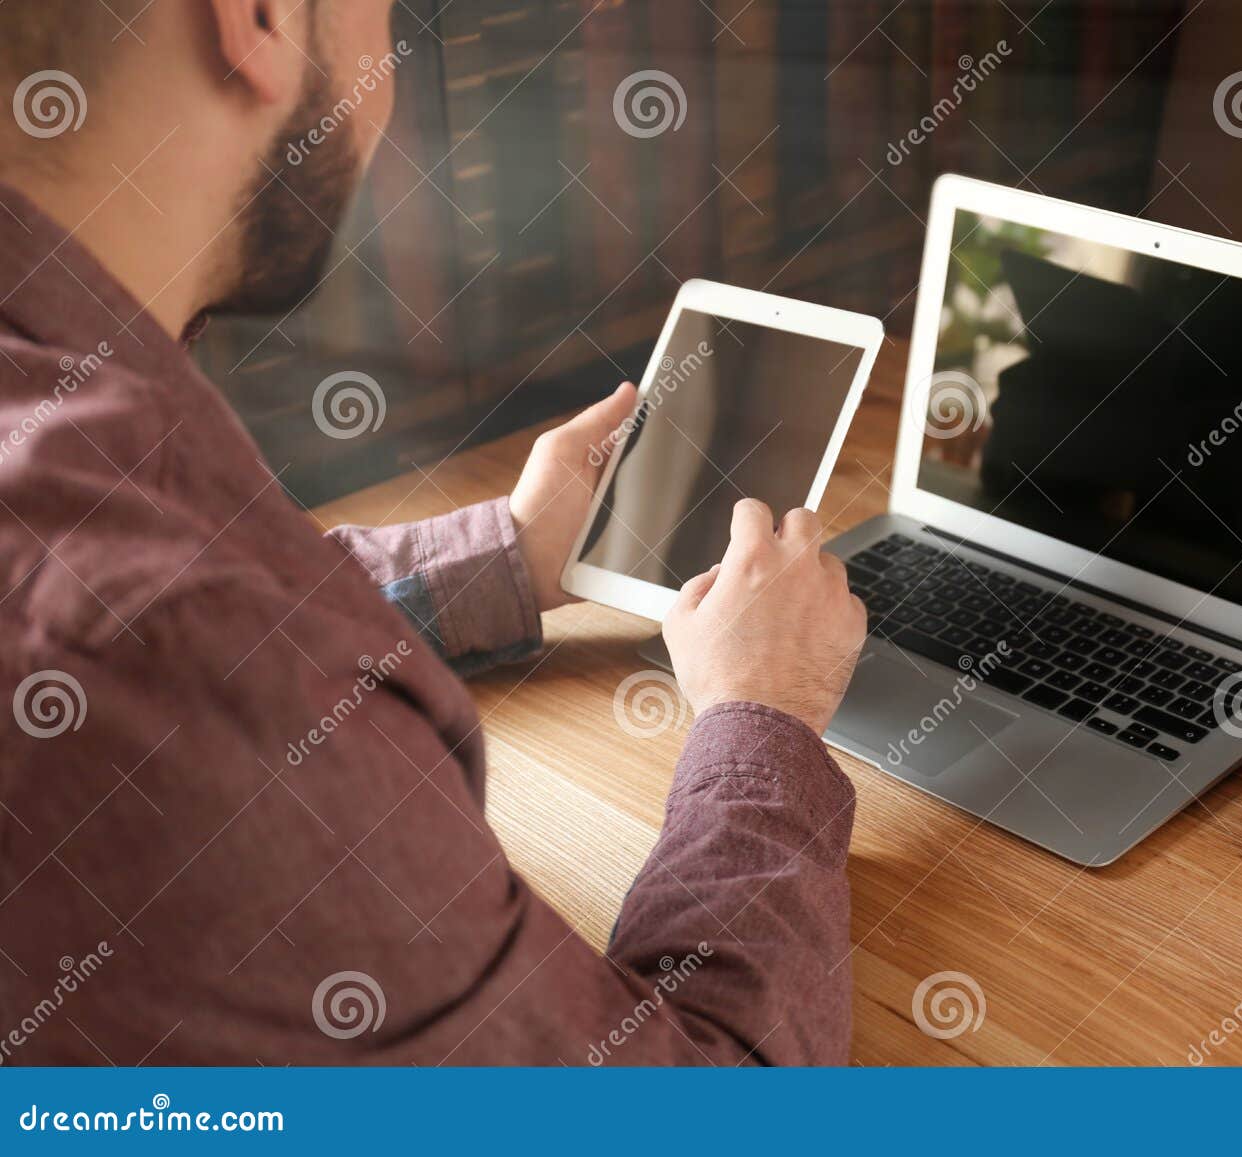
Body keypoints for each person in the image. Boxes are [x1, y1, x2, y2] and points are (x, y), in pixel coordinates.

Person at [0, 1, 866, 1064]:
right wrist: (763, 718)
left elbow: (183, 599)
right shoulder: (181, 668)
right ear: (256, 17)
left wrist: (508, 553)